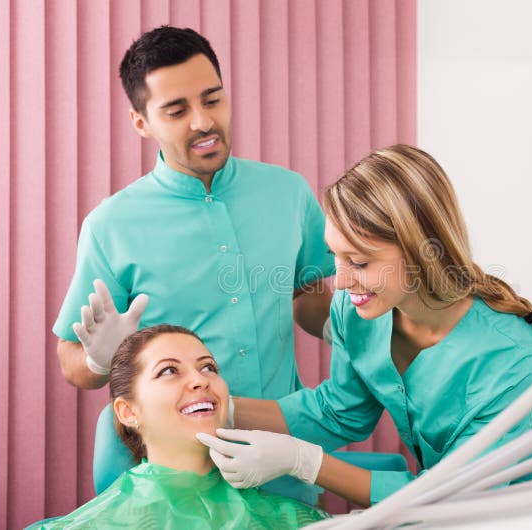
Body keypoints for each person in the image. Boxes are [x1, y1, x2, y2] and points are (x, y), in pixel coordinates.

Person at [197, 144, 532, 506]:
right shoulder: (357, 314)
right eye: (335, 255)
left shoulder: (508, 357)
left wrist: (305, 463)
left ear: (421, 251)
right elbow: (338, 413)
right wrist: (218, 410)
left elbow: (453, 495)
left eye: (359, 262)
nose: (340, 281)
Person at [52, 26, 334, 402]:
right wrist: (99, 361)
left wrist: (357, 330)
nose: (202, 121)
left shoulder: (289, 192)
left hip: (283, 434)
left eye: (212, 100)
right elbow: (71, 361)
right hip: (179, 450)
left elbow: (306, 292)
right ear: (141, 122)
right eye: (177, 111)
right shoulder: (109, 227)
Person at [28, 325, 328, 529]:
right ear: (128, 411)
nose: (200, 380)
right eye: (169, 370)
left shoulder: (292, 519)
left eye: (208, 367)